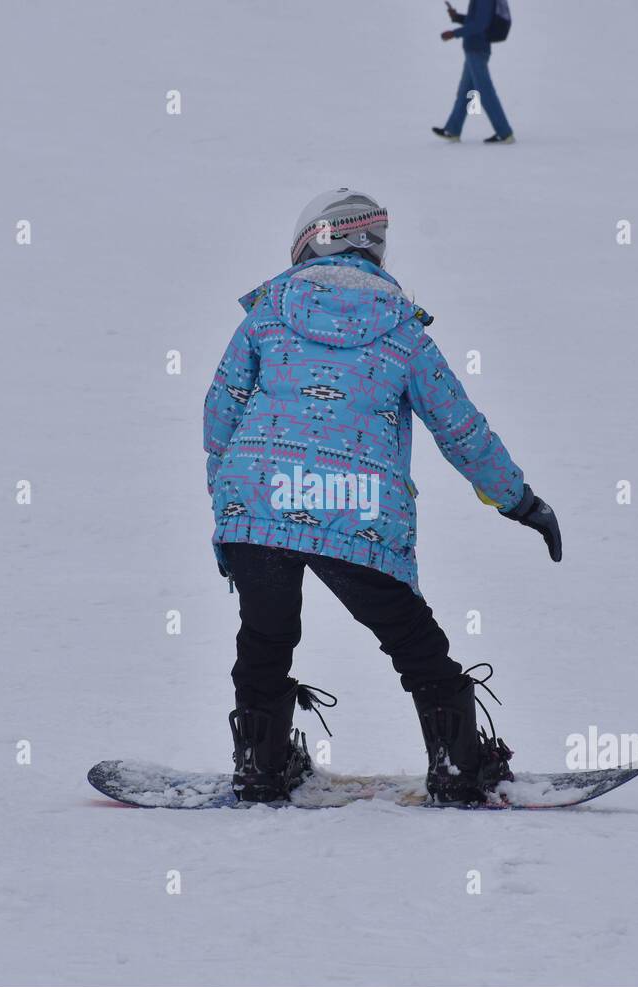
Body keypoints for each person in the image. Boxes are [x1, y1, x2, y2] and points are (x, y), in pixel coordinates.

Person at [203, 188, 561, 804]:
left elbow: (221, 413)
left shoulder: (265, 314)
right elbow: (459, 428)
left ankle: (259, 768)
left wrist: (230, 512)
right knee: (413, 641)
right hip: (355, 509)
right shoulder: (402, 333)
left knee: (263, 638)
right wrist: (519, 501)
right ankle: (460, 766)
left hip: (256, 504)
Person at [433, 0, 514, 144]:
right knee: (464, 92)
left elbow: (480, 25)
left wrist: (454, 33)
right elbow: (474, 21)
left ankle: (505, 133)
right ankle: (453, 130)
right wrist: (457, 17)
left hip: (477, 49)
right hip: (473, 49)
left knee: (485, 92)